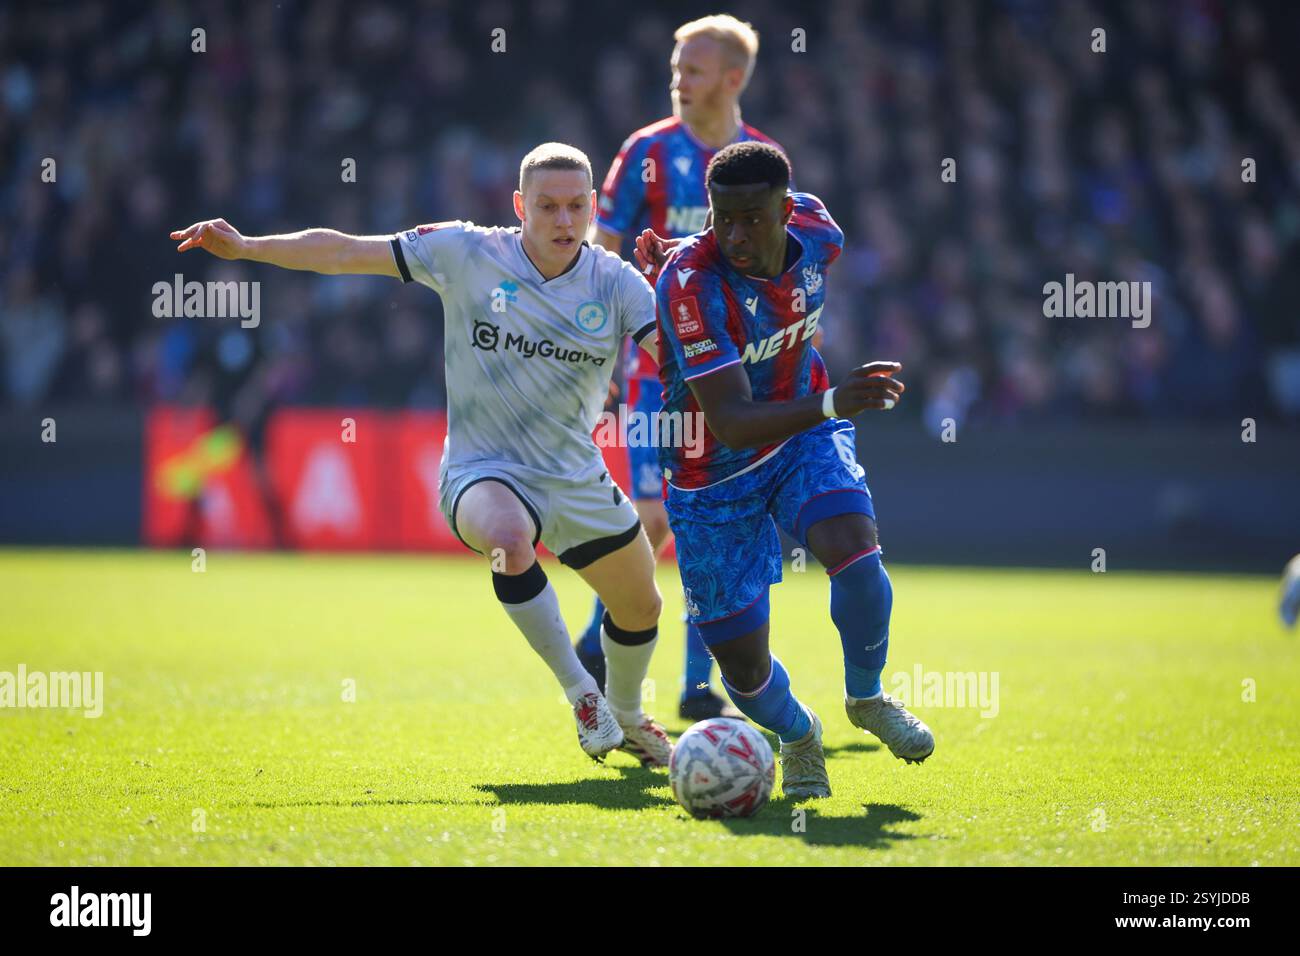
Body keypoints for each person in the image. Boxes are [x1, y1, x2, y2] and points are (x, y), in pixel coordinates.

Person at [169, 143, 672, 768]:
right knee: (510, 541)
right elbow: (344, 250)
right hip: (482, 471)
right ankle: (583, 696)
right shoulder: (466, 252)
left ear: (594, 207)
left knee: (642, 604)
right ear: (519, 207)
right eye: (547, 207)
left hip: (575, 475)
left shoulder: (617, 283)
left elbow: (678, 365)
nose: (564, 222)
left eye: (576, 207)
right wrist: (248, 247)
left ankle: (627, 716)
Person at [641, 141, 935, 798]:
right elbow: (731, 421)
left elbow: (814, 238)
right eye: (724, 220)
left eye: (753, 217)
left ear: (787, 207)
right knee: (743, 669)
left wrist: (826, 408)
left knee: (856, 553)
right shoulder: (691, 285)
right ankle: (800, 736)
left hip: (804, 435)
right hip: (711, 474)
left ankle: (867, 697)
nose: (737, 236)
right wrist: (835, 399)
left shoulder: (817, 229)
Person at [582, 13, 785, 721]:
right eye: (675, 67)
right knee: (652, 513)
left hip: (732, 377)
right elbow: (602, 255)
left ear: (732, 79)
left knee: (714, 520)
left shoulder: (762, 160)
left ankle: (700, 684)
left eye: (692, 69)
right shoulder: (645, 152)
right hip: (655, 366)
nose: (678, 79)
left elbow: (782, 268)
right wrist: (600, 356)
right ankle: (597, 637)